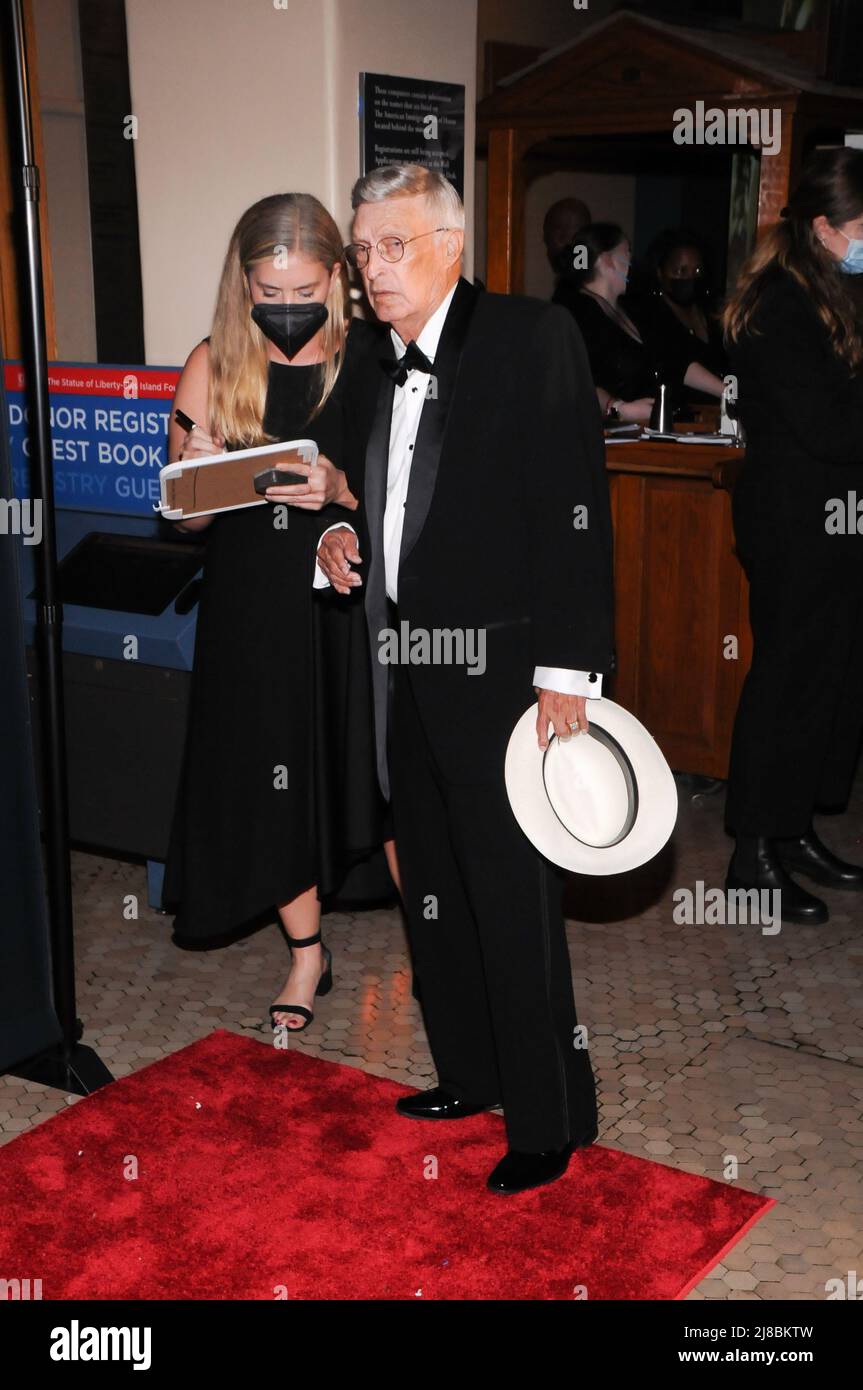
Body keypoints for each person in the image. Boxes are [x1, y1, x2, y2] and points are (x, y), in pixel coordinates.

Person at [316, 164, 615, 1196]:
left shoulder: (533, 338)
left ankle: (547, 1116)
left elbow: (575, 510)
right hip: (402, 660)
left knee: (511, 892)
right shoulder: (369, 354)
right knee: (431, 881)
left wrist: (567, 667)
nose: (370, 270)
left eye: (389, 247)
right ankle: (468, 1073)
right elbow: (345, 476)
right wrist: (339, 531)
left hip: (502, 670)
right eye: (361, 251)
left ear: (448, 245)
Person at [162, 192, 397, 1031]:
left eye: (304, 291)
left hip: (346, 598)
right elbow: (186, 519)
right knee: (272, 774)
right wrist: (195, 472)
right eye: (270, 292)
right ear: (244, 285)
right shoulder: (212, 364)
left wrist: (337, 493)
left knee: (375, 773)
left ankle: (443, 945)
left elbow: (405, 499)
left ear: (338, 277)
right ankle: (305, 956)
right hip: (251, 604)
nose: (287, 309)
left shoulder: (375, 359)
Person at [722, 146, 863, 922]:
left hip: (837, 519)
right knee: (785, 682)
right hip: (794, 519)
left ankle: (794, 830)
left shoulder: (834, 285)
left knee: (829, 683)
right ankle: (751, 855)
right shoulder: (779, 302)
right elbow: (828, 426)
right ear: (822, 227)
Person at [560, 222, 723, 425]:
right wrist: (619, 408)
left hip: (653, 428)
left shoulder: (633, 308)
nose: (631, 261)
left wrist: (726, 391)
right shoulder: (577, 313)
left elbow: (674, 360)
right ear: (607, 260)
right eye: (627, 252)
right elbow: (576, 379)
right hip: (611, 439)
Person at [631, 229, 727, 405]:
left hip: (718, 416)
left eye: (697, 270)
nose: (690, 278)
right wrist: (728, 393)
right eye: (680, 271)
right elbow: (675, 362)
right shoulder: (649, 315)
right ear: (660, 273)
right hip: (677, 419)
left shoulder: (710, 311)